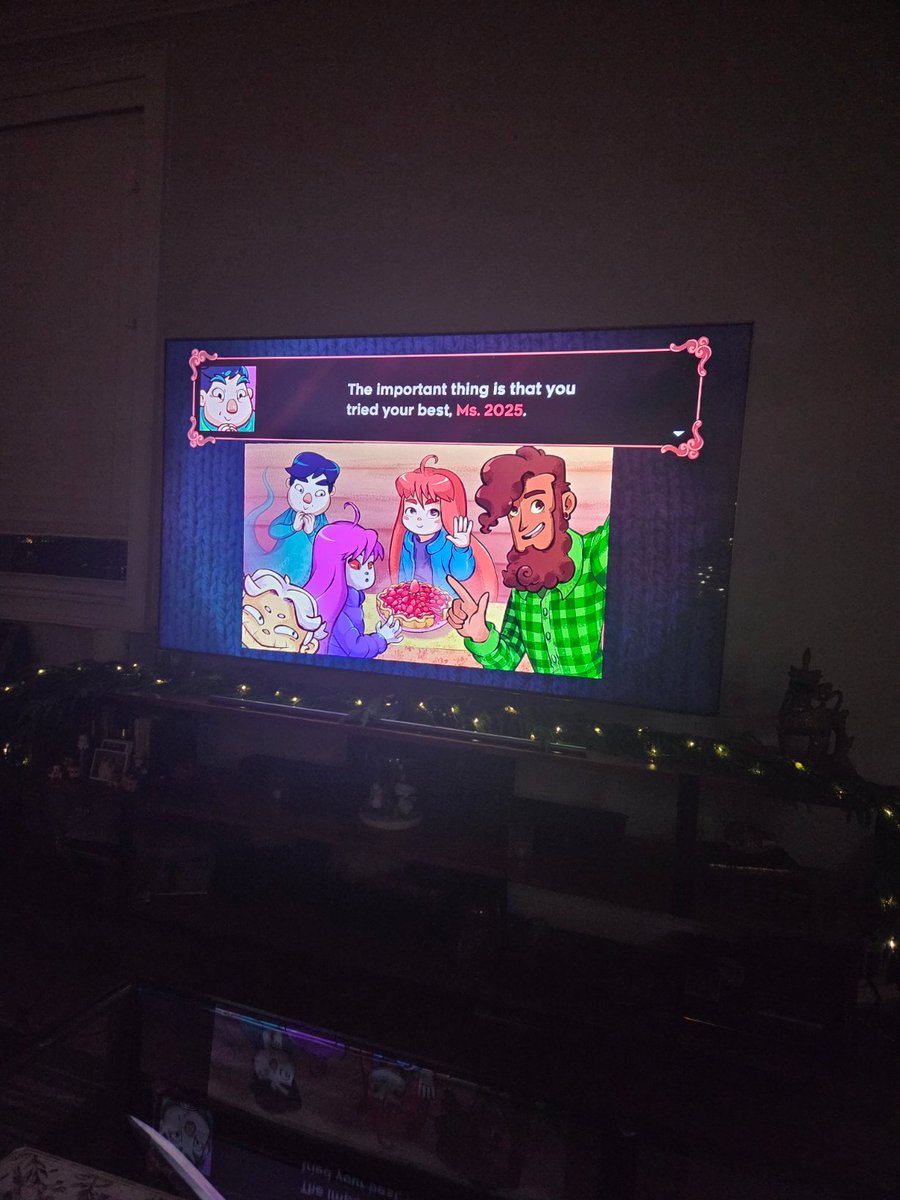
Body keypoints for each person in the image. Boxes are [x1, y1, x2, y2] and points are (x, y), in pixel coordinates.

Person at [447, 445, 609, 677]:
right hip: (538, 696)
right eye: (513, 512)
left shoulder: (592, 554)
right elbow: (507, 662)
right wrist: (481, 635)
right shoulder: (524, 579)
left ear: (566, 504)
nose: (523, 525)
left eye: (537, 505)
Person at [388, 454, 497, 601]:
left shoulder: (448, 541)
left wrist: (462, 549)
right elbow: (403, 573)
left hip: (444, 603)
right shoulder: (407, 540)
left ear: (447, 512)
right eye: (412, 510)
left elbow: (461, 574)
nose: (419, 519)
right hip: (413, 601)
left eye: (433, 512)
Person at [305, 504, 403, 659]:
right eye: (355, 565)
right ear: (333, 566)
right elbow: (357, 649)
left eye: (370, 564)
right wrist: (382, 638)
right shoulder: (334, 605)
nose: (367, 572)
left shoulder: (351, 598)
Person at [267, 450, 340, 586]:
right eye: (300, 490)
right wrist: (292, 528)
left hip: (306, 569)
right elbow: (273, 531)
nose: (307, 499)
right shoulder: (291, 514)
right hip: (282, 563)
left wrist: (311, 533)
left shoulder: (320, 521)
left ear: (331, 492)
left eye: (319, 494)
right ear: (289, 483)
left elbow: (326, 548)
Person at [198, 364, 255, 432]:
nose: (232, 408)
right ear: (202, 398)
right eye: (219, 395)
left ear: (249, 394)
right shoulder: (197, 421)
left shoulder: (254, 421)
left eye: (241, 395)